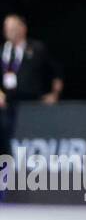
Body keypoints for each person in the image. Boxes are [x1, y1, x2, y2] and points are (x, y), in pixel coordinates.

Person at [0, 14, 64, 158]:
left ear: (23, 29)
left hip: (34, 104)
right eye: (7, 28)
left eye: (13, 28)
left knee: (34, 143)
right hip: (8, 106)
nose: (9, 31)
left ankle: (37, 176)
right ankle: (4, 178)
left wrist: (54, 94)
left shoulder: (37, 49)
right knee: (5, 145)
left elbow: (56, 72)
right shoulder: (3, 51)